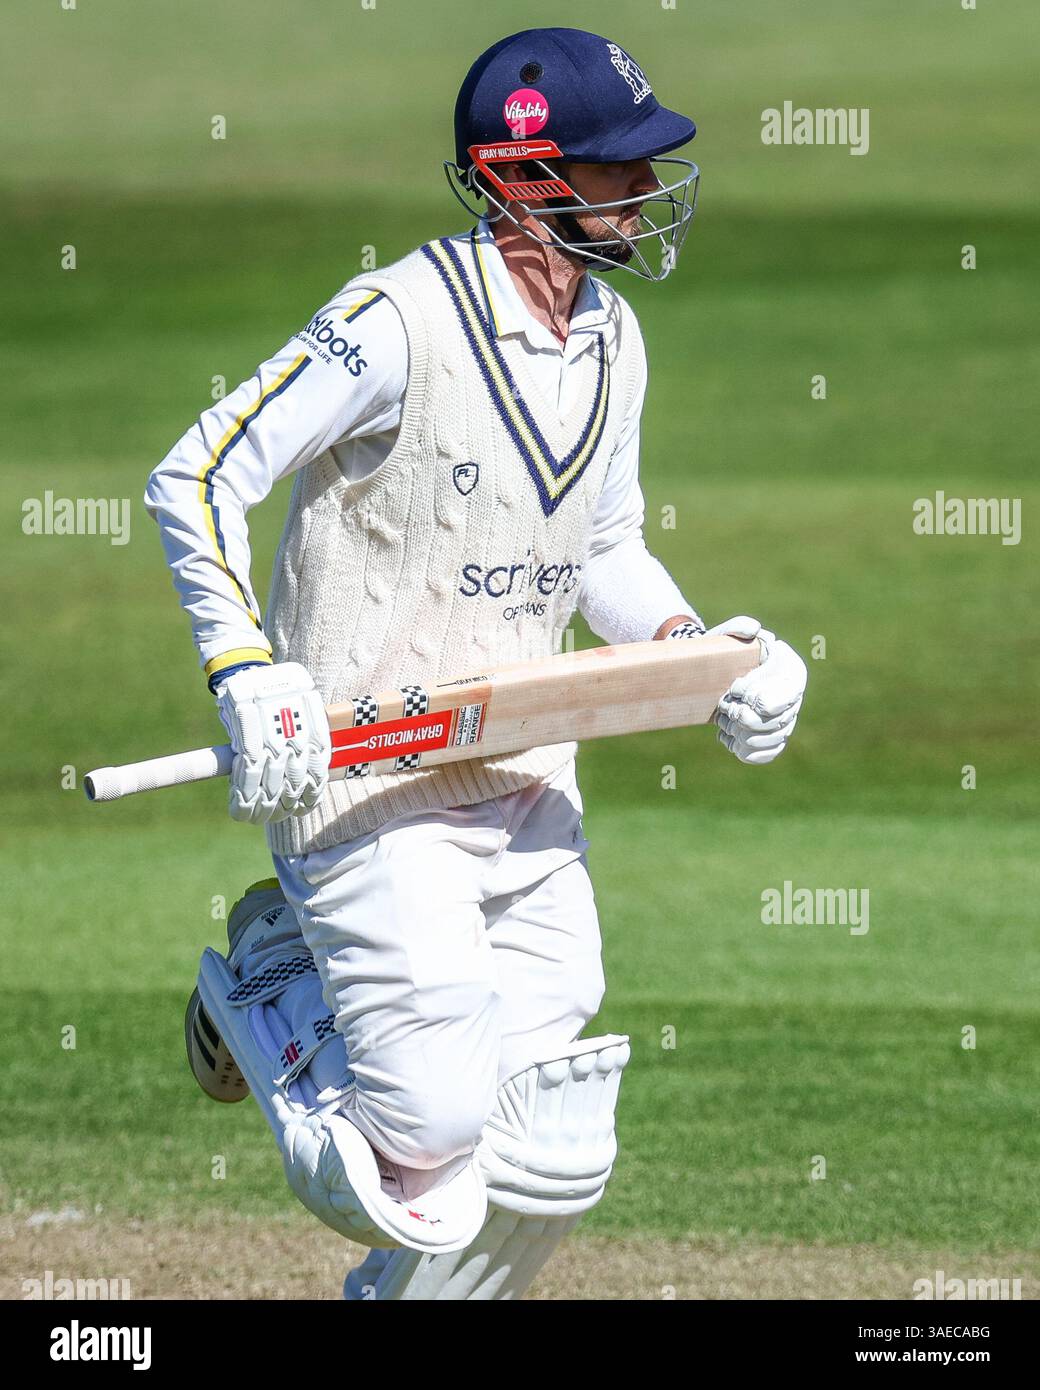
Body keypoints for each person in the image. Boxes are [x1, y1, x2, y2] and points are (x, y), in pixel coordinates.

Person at [146, 27, 807, 1300]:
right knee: (430, 1151)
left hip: (524, 770)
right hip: (370, 777)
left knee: (550, 1138)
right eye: (617, 169)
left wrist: (698, 653)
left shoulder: (610, 337)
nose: (643, 190)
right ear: (524, 179)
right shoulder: (393, 320)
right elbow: (199, 468)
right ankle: (272, 979)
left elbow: (599, 544)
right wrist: (244, 666)